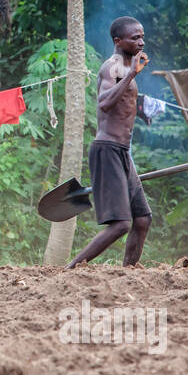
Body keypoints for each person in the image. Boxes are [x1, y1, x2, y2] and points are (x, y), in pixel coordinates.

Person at [66, 17, 152, 269]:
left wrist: (140, 110)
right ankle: (71, 269)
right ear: (118, 41)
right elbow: (104, 102)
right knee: (121, 224)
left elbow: (121, 104)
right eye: (134, 37)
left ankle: (129, 272)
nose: (141, 42)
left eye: (142, 36)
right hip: (107, 150)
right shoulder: (114, 67)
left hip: (123, 152)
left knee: (142, 219)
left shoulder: (126, 68)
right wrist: (132, 75)